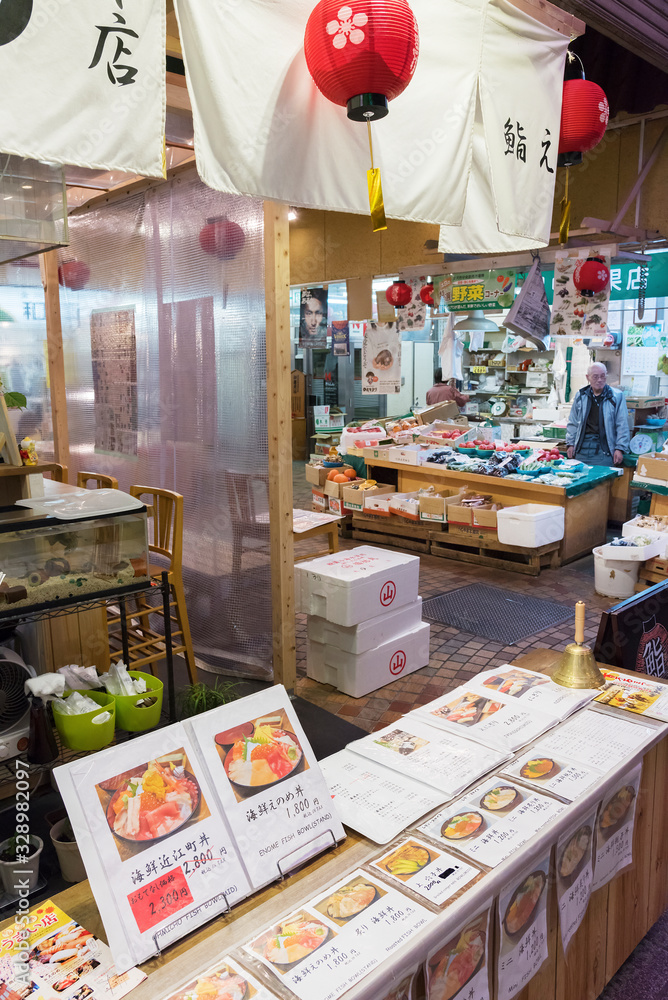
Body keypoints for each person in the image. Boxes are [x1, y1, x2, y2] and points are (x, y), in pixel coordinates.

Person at [565, 362, 630, 467]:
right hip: (582, 448)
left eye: (602, 376)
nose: (599, 380)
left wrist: (620, 448)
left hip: (604, 449)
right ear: (588, 377)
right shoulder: (581, 396)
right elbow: (573, 422)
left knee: (601, 481)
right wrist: (570, 444)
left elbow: (622, 424)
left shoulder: (616, 396)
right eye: (595, 377)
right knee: (580, 479)